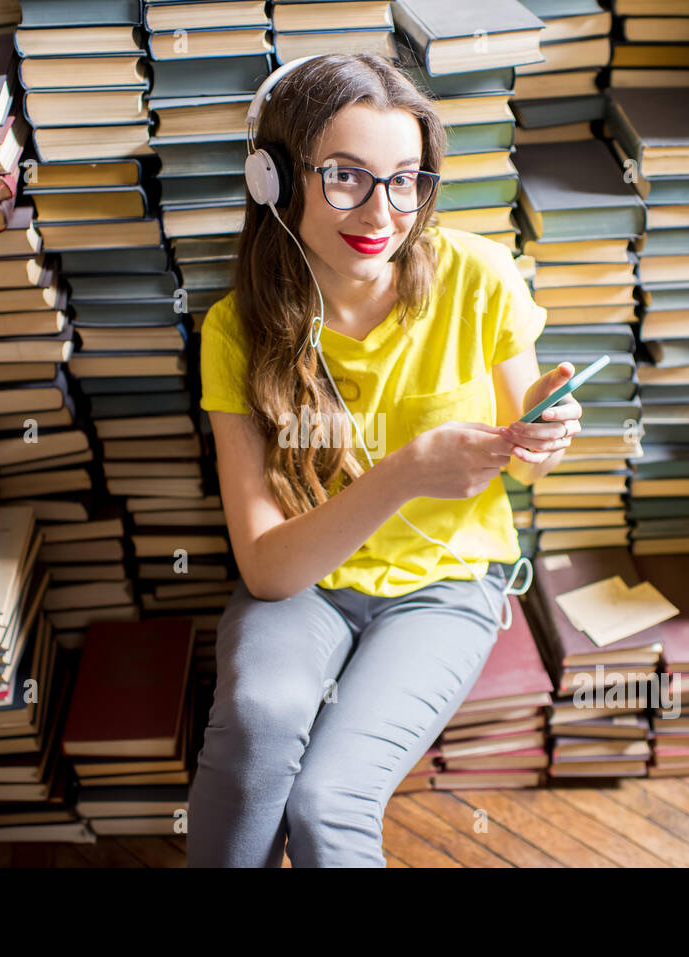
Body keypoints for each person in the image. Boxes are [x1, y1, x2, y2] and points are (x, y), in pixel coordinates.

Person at [186, 53, 583, 868]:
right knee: (257, 721)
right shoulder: (236, 330)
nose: (382, 211)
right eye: (346, 177)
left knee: (329, 801)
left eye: (406, 180)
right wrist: (405, 472)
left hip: (445, 588)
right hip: (306, 583)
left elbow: (527, 464)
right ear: (273, 180)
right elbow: (265, 569)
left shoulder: (479, 276)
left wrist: (541, 439)